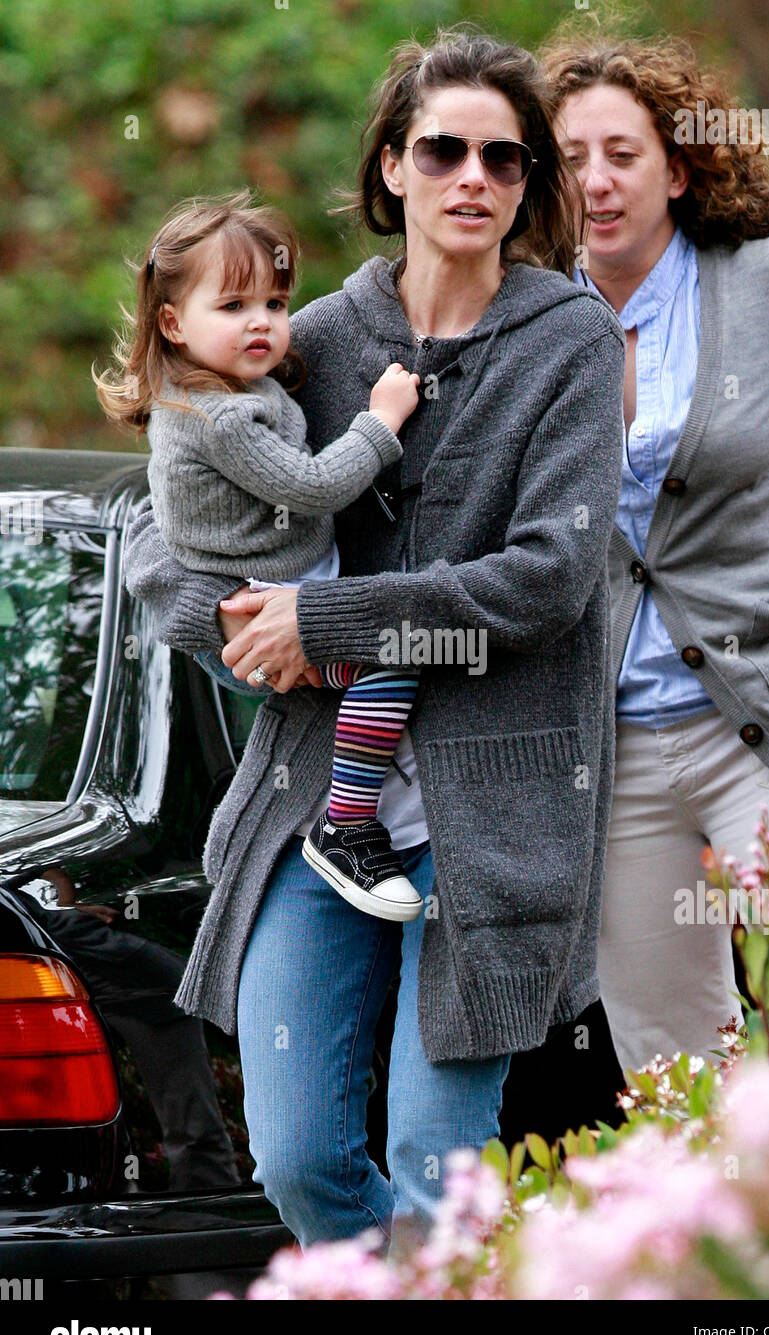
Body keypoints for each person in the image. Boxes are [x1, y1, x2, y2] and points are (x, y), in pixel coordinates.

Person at [120, 28, 624, 1248]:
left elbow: (549, 578)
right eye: (443, 149)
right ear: (392, 166)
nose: (474, 179)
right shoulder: (312, 336)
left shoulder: (569, 343)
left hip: (496, 811)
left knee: (432, 1161)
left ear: (526, 185)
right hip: (315, 802)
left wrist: (327, 619)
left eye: (505, 161)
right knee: (294, 1158)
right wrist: (252, 627)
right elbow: (158, 534)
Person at [541, 29, 769, 1072]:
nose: (594, 182)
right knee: (674, 1076)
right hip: (614, 753)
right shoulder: (523, 326)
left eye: (621, 155)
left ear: (677, 169)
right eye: (567, 160)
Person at [94, 192, 426, 923]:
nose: (263, 323)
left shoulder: (237, 387)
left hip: (276, 583)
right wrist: (382, 420)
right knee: (394, 660)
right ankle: (346, 821)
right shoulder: (218, 416)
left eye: (276, 303)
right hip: (256, 608)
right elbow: (314, 487)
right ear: (174, 323)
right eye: (235, 304)